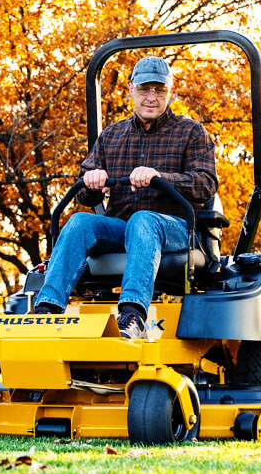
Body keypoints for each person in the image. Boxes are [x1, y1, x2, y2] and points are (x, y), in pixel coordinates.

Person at [32, 55, 218, 339]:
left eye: (159, 90)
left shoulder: (191, 133)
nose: (152, 98)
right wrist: (91, 182)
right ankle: (47, 309)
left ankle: (132, 315)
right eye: (145, 89)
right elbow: (83, 192)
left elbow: (205, 185)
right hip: (122, 228)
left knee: (143, 220)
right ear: (131, 89)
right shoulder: (112, 135)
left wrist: (159, 177)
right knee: (81, 221)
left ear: (170, 90)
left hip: (176, 230)